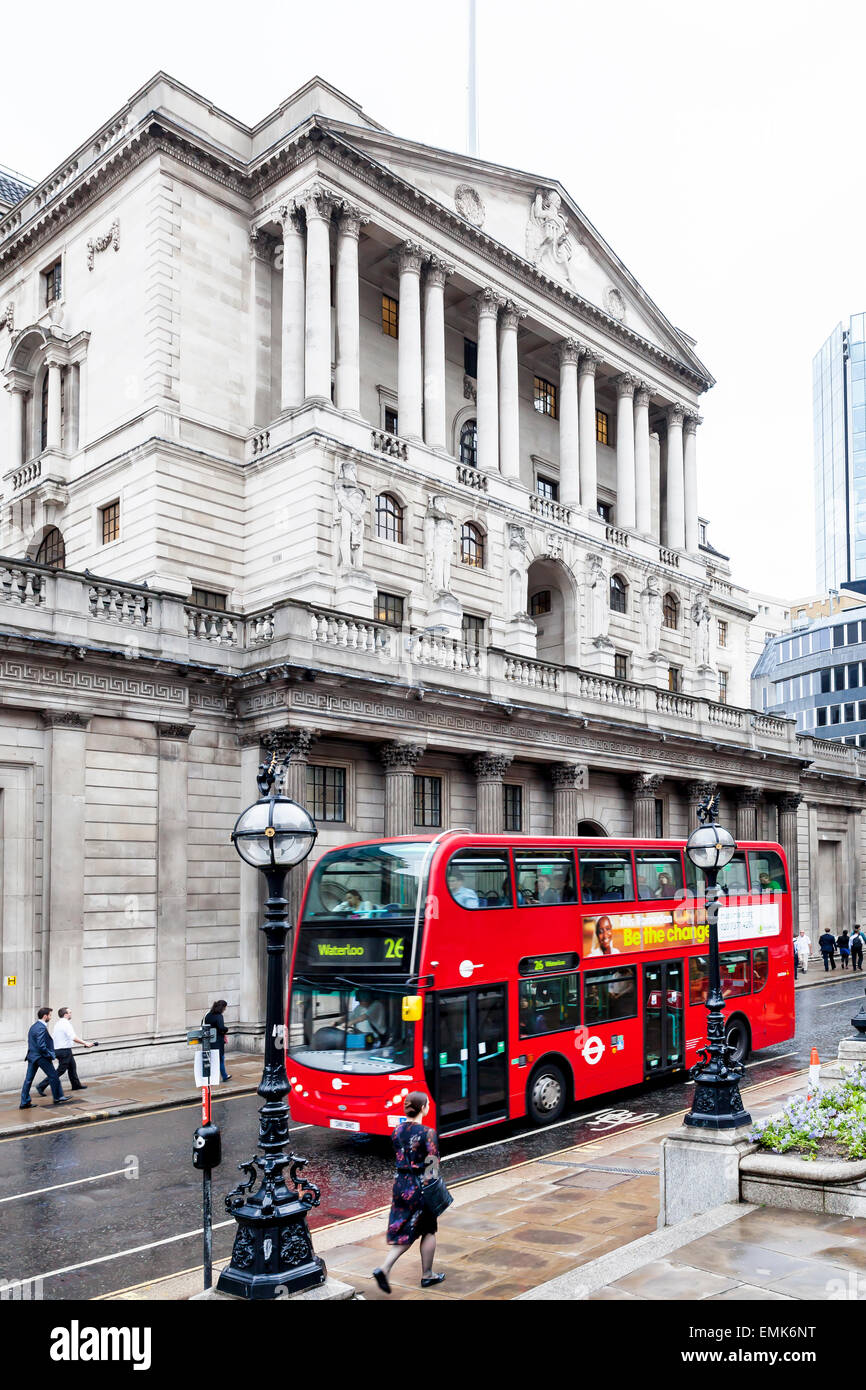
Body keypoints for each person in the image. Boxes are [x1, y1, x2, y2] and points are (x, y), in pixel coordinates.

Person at [373, 1091, 445, 1293]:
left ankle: (385, 1268)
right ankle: (426, 1275)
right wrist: (433, 1190)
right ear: (423, 1108)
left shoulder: (397, 1131)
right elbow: (432, 1167)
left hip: (401, 1185)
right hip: (421, 1187)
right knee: (428, 1229)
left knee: (407, 1230)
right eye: (427, 1104)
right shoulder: (428, 1132)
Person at [36, 1006, 93, 1094]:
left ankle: (76, 1085)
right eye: (70, 1012)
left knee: (72, 1066)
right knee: (61, 1070)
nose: (71, 1014)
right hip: (63, 1050)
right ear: (65, 1014)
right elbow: (73, 1037)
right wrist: (85, 1043)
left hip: (61, 1049)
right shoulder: (66, 1024)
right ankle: (41, 1085)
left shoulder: (58, 1023)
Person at [20, 1007, 69, 1108]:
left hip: (32, 1056)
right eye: (50, 1015)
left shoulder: (34, 1026)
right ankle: (58, 1097)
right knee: (54, 1076)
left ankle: (24, 1102)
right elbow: (41, 1045)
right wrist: (49, 1054)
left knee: (28, 1080)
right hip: (41, 1057)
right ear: (45, 1016)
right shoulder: (41, 1027)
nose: (51, 1017)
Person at [203, 999, 232, 1081]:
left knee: (211, 1059)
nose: (225, 1010)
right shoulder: (219, 1016)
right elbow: (221, 1027)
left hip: (208, 1040)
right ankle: (224, 1076)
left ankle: (209, 1076)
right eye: (225, 1008)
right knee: (221, 1059)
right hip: (218, 1041)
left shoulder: (208, 1015)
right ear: (222, 1007)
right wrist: (226, 1029)